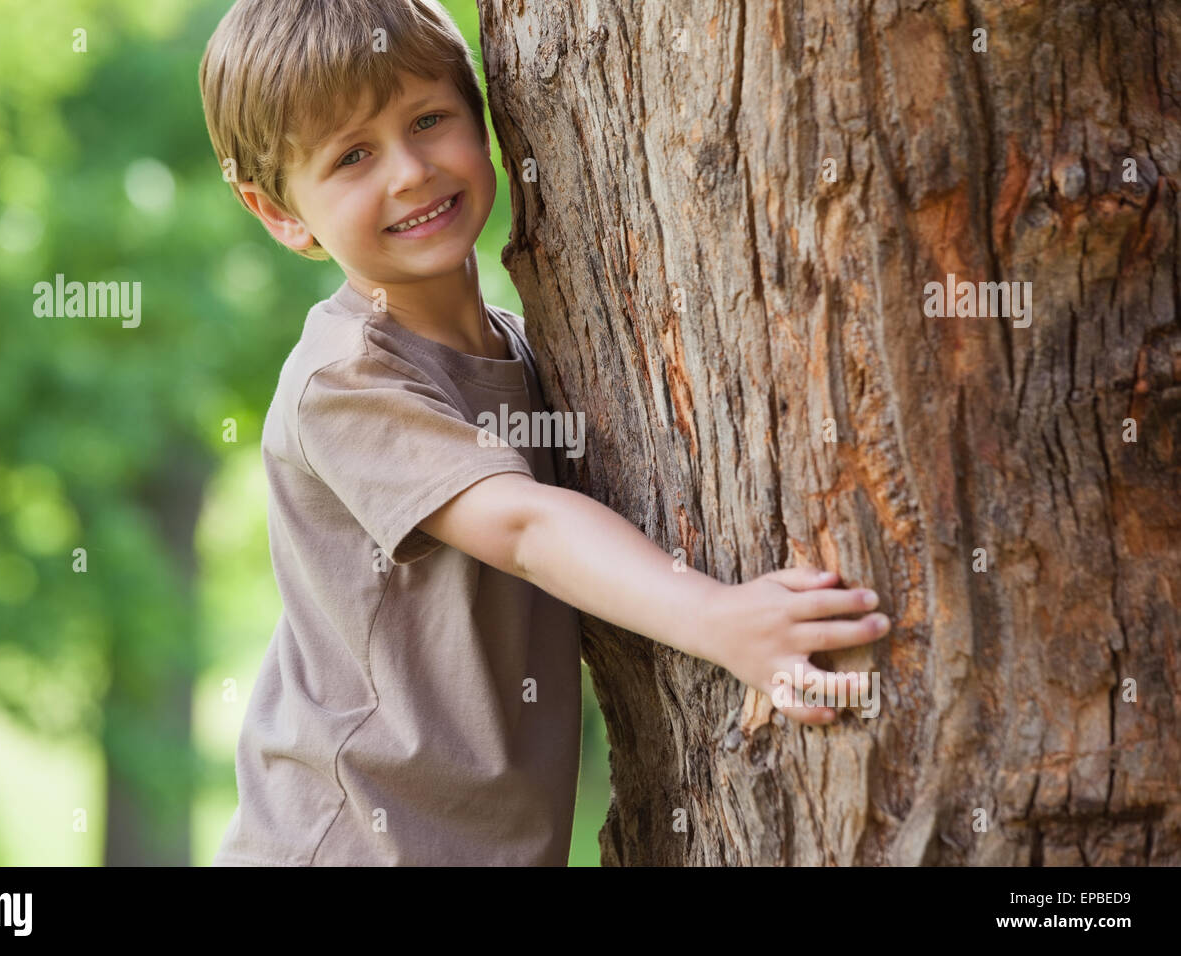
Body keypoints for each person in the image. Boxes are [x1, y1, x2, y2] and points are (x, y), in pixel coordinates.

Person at [198, 0, 890, 866]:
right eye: (352, 156)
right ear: (279, 213)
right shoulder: (345, 380)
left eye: (428, 119)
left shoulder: (528, 347)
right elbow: (524, 526)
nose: (410, 171)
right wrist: (719, 619)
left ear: (481, 117)